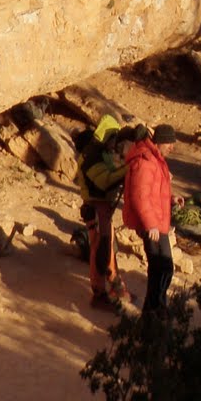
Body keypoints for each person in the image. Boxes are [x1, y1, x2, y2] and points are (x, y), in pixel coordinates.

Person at [74, 117, 134, 310]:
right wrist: (128, 169)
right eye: (113, 139)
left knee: (108, 249)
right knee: (100, 251)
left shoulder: (99, 153)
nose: (114, 144)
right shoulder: (92, 156)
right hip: (96, 208)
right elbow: (105, 181)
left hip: (102, 209)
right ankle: (99, 294)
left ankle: (115, 285)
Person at [121, 123, 177, 317]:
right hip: (152, 225)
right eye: (169, 143)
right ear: (160, 142)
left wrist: (172, 199)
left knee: (160, 268)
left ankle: (155, 308)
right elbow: (140, 197)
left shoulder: (155, 159)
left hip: (157, 222)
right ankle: (154, 309)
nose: (172, 148)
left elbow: (155, 191)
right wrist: (150, 224)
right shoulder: (145, 162)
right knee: (163, 267)